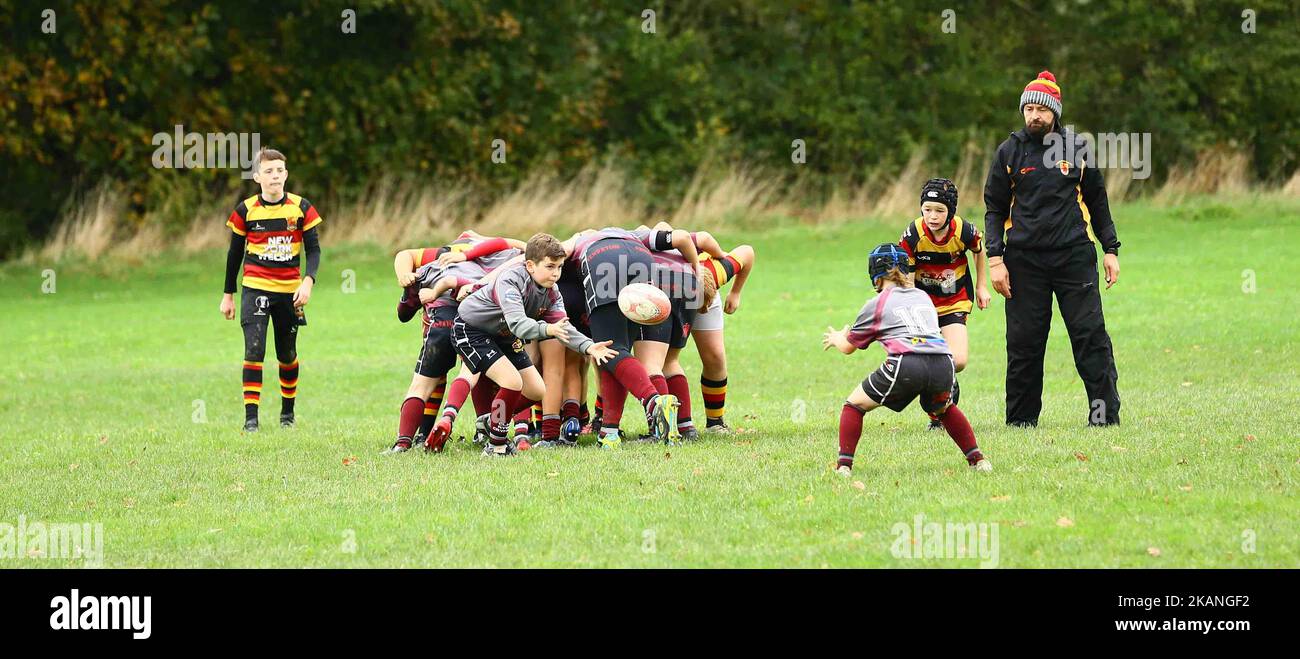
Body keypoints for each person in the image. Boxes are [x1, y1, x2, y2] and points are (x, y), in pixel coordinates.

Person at [983, 70, 1122, 427]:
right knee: (1024, 343)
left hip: (1074, 255)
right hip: (1023, 261)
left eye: (1040, 109)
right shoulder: (1009, 151)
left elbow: (1097, 200)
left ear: (1054, 112)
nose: (1033, 116)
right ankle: (1020, 421)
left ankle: (1104, 417)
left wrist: (1110, 249)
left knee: (1089, 336)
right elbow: (995, 209)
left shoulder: (1077, 148)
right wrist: (996, 261)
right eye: (1028, 109)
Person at [822, 244, 992, 475]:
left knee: (854, 406)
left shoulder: (876, 303)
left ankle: (843, 467)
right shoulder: (923, 297)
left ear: (875, 275)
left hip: (908, 362)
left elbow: (848, 347)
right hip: (944, 362)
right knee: (944, 408)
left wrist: (837, 337)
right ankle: (979, 460)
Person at [452, 233, 617, 456]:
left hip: (502, 334)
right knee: (511, 382)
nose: (556, 273)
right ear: (530, 265)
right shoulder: (510, 280)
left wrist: (589, 346)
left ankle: (493, 421)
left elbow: (562, 327)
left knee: (536, 389)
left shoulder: (552, 292)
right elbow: (519, 325)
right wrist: (548, 329)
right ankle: (496, 445)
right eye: (550, 266)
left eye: (559, 267)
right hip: (471, 330)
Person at [218, 148, 321, 432]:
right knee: (254, 350)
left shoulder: (302, 208)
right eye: (268, 171)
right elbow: (234, 254)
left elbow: (313, 250)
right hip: (255, 288)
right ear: (257, 177)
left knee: (287, 354)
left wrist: (308, 281)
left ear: (286, 174)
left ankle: (287, 414)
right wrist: (228, 295)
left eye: (279, 171)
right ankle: (251, 419)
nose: (274, 176)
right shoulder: (245, 210)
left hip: (290, 292)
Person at [898, 178, 990, 430]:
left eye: (939, 210)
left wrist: (982, 286)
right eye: (927, 209)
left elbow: (979, 251)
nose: (932, 216)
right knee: (926, 364)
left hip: (954, 301)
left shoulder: (964, 231)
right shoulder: (913, 234)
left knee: (957, 361)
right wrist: (907, 307)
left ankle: (948, 381)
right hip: (922, 307)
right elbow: (905, 277)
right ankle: (936, 417)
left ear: (951, 211)